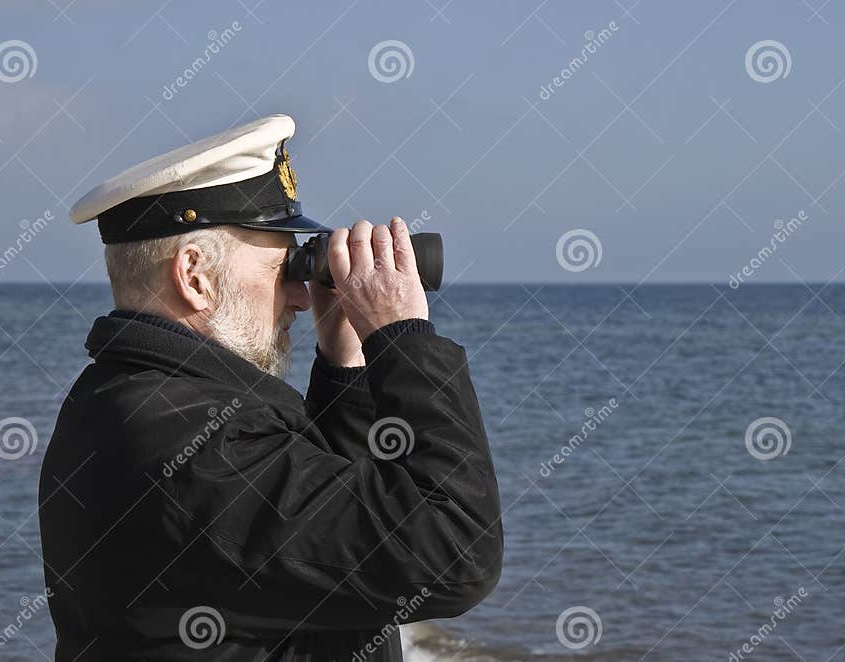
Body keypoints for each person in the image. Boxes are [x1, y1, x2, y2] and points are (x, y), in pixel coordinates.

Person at [38, 114, 503, 661]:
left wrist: (345, 364)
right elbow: (454, 552)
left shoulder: (134, 402)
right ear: (195, 277)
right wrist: (403, 339)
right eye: (284, 268)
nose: (302, 298)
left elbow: (334, 535)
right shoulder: (200, 448)